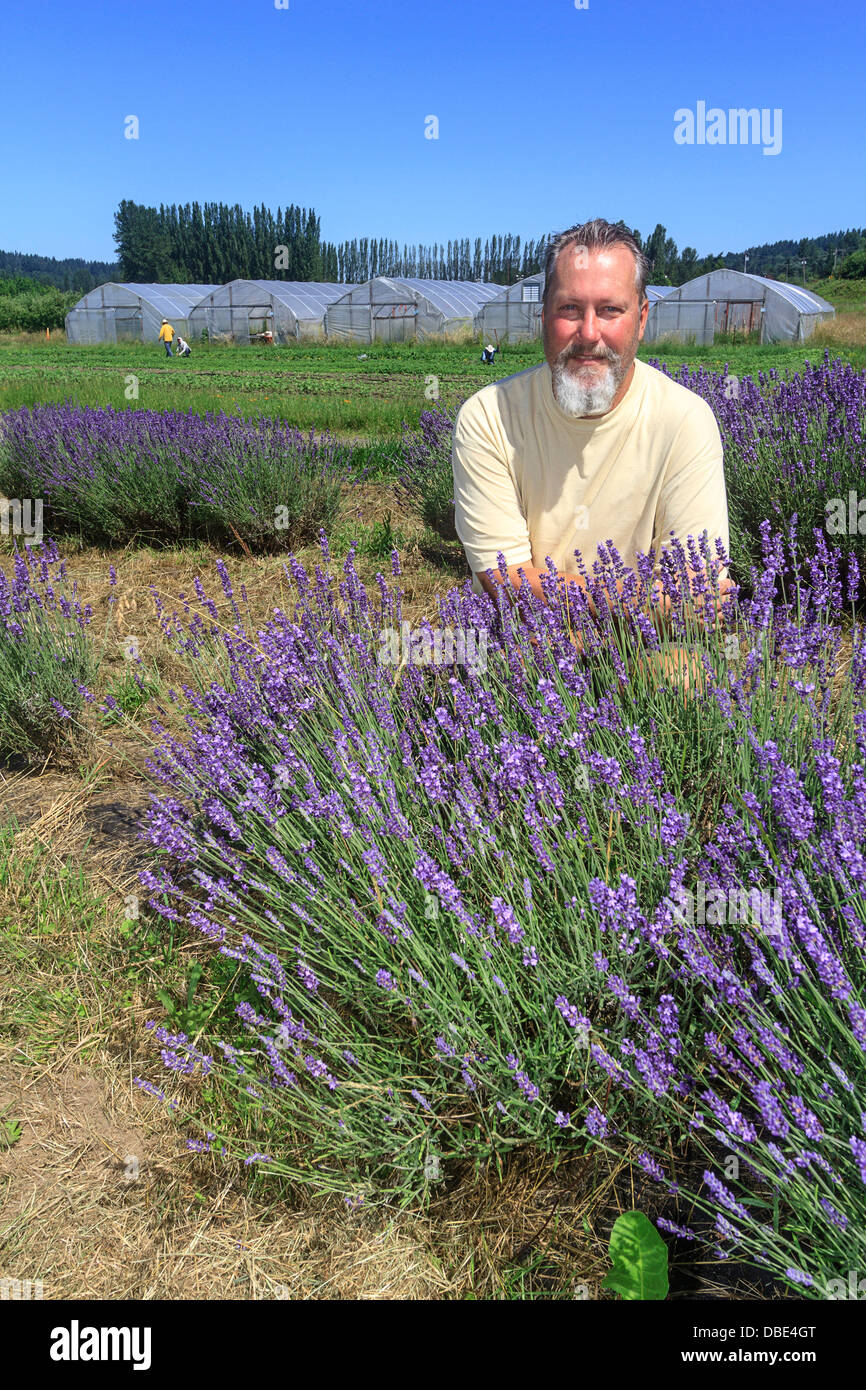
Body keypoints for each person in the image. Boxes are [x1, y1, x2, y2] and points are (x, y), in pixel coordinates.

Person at [452, 217, 733, 698]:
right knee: (511, 664)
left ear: (641, 318)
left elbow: (703, 594)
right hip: (526, 643)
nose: (588, 333)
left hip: (640, 650)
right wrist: (635, 600)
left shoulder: (686, 419)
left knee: (689, 676)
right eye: (569, 308)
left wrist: (586, 624)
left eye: (609, 310)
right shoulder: (488, 417)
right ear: (542, 316)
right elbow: (505, 579)